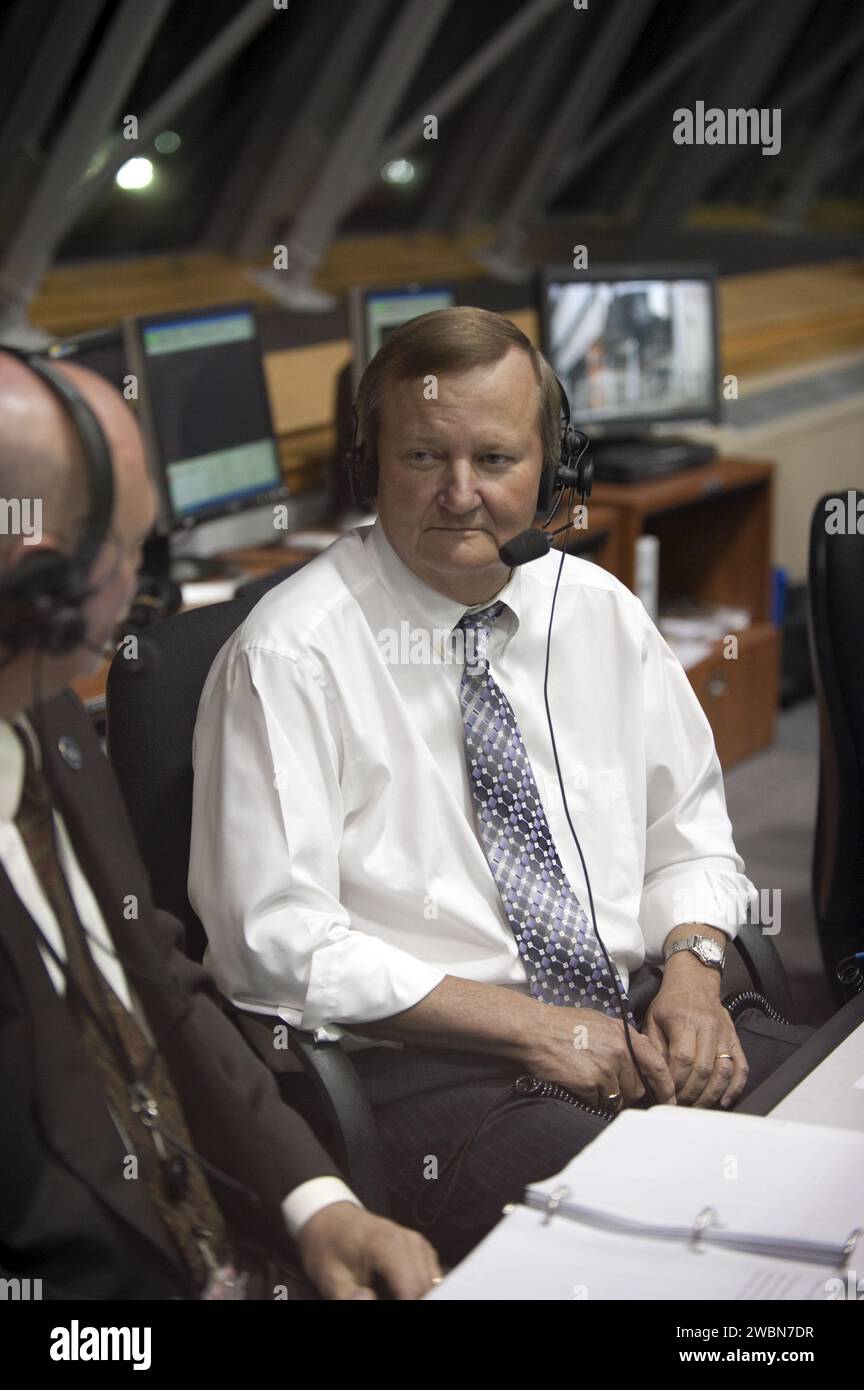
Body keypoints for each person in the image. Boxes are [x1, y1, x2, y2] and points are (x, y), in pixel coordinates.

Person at [189, 307, 815, 1265]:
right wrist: (531, 1030)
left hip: (645, 1019)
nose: (459, 494)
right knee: (683, 1256)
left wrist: (691, 975)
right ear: (369, 470)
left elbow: (687, 834)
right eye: (421, 459)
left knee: (825, 1162)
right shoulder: (290, 656)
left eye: (495, 459)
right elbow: (270, 946)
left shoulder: (597, 610)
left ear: (556, 475)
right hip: (441, 1072)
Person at [0, 348, 440, 1300]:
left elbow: (153, 971)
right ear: (44, 588)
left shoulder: (44, 714)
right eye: (131, 553)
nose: (141, 595)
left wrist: (317, 1203)